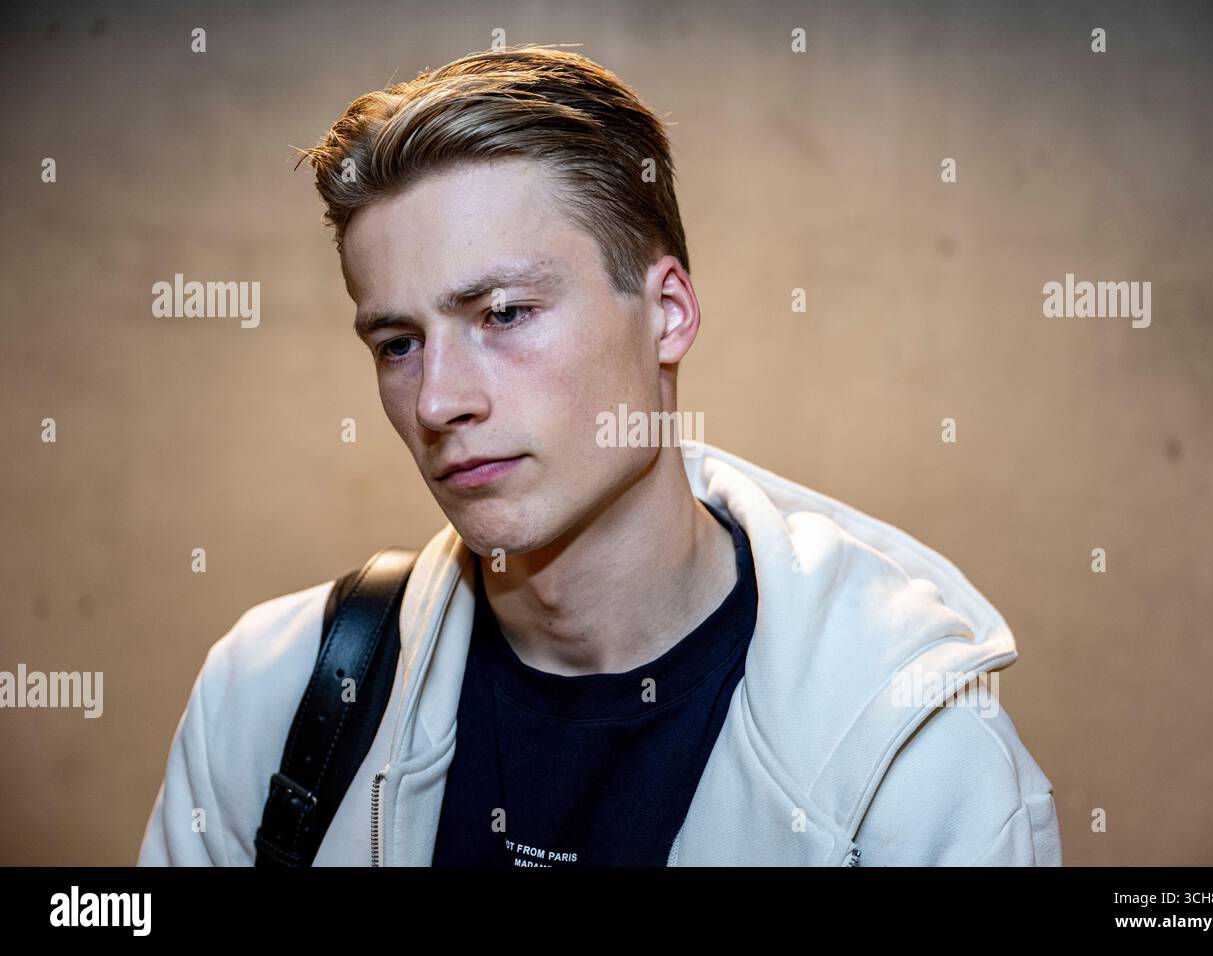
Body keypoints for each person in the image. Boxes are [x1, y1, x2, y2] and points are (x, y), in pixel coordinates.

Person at [137, 43, 1061, 867]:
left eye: (502, 314)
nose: (439, 400)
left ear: (667, 314)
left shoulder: (914, 760)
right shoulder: (270, 696)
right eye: (397, 343)